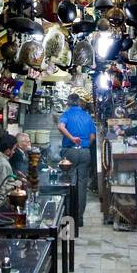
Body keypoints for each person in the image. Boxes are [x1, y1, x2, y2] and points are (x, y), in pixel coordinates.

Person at [57, 92, 96, 224]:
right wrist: (84, 146)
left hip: (70, 153)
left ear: (68, 103)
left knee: (68, 183)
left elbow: (60, 127)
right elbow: (92, 137)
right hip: (85, 152)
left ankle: (69, 216)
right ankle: (79, 218)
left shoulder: (66, 114)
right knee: (82, 185)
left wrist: (72, 138)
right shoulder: (87, 116)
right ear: (79, 102)